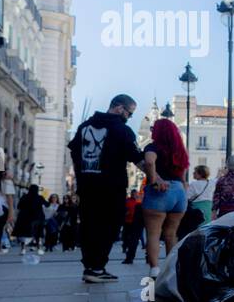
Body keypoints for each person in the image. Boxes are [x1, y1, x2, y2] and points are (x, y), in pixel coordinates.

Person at [69, 94, 144, 283]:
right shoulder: (121, 130)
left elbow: (75, 155)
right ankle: (97, 267)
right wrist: (156, 176)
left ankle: (90, 267)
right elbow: (137, 158)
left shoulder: (84, 126)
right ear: (119, 108)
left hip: (86, 186)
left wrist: (81, 177)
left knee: (88, 226)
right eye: (129, 113)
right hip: (111, 187)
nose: (129, 117)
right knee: (110, 225)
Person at [141, 117, 189, 278]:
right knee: (171, 233)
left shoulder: (153, 147)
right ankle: (170, 269)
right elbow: (183, 175)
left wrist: (153, 180)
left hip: (161, 191)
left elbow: (149, 162)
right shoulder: (180, 150)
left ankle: (155, 269)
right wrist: (183, 188)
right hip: (179, 191)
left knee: (153, 233)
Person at [13, 183, 46, 251]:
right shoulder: (40, 197)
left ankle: (23, 248)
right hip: (38, 218)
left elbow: (19, 206)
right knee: (38, 233)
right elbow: (47, 204)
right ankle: (38, 247)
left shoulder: (24, 197)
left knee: (24, 233)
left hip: (26, 218)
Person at [121, 187, 145, 264]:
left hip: (139, 212)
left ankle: (130, 257)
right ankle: (128, 252)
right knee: (130, 237)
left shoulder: (138, 200)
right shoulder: (128, 200)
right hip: (129, 221)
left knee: (135, 237)